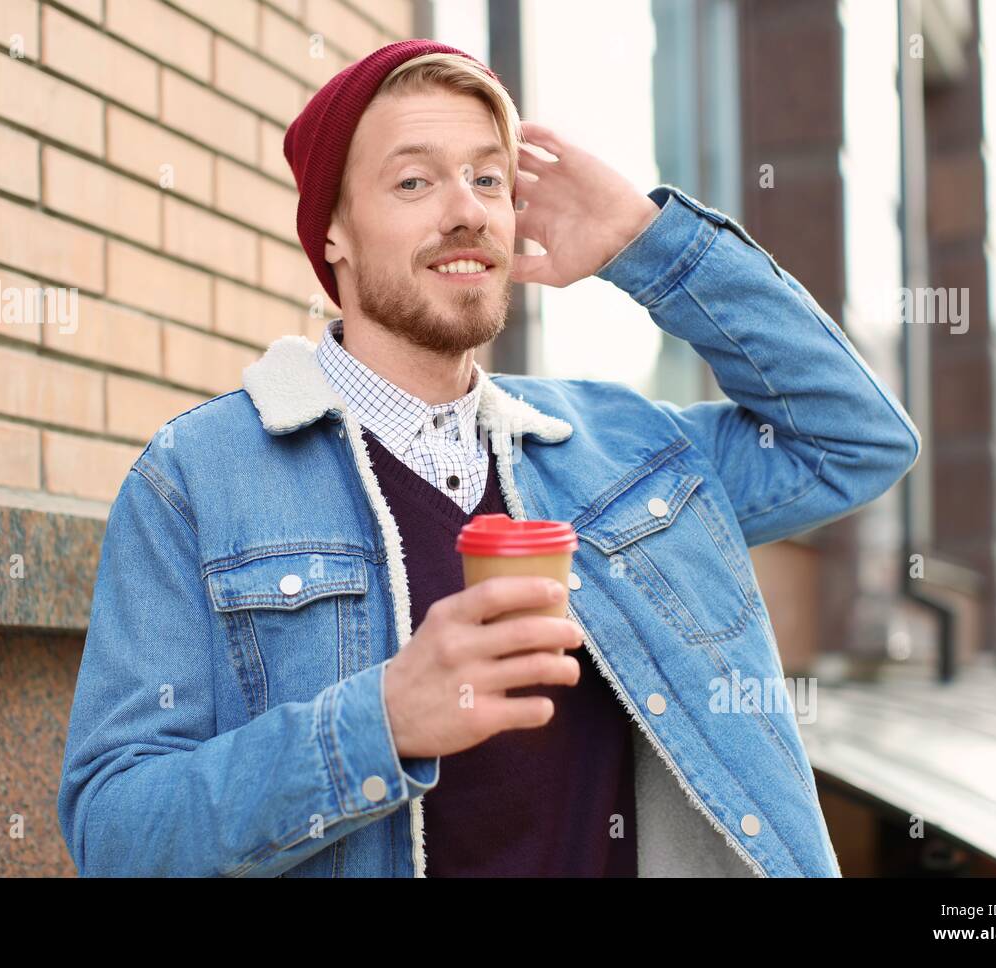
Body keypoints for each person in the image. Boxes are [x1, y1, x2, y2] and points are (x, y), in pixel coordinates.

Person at [57, 39, 920, 878]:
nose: (466, 208)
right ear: (332, 234)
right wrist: (381, 721)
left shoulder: (624, 446)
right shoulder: (199, 478)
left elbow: (854, 438)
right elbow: (116, 831)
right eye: (413, 180)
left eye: (488, 178)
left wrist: (643, 242)